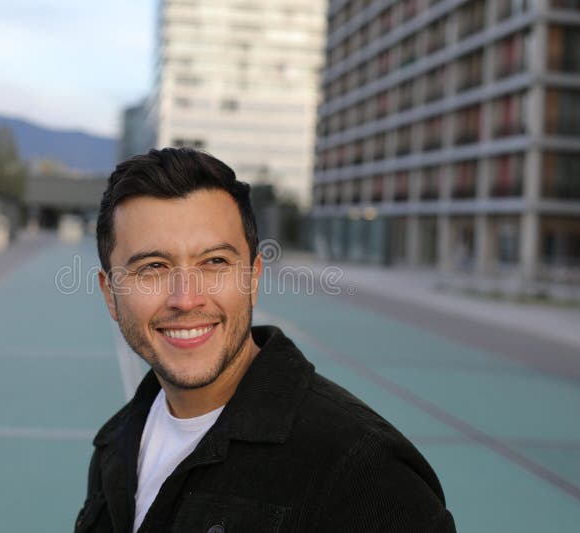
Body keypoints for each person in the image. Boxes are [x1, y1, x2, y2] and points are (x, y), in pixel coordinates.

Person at [76, 148, 456, 532]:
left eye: (215, 262)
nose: (186, 299)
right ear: (110, 293)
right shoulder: (117, 444)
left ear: (253, 278)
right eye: (153, 267)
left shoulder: (363, 470)